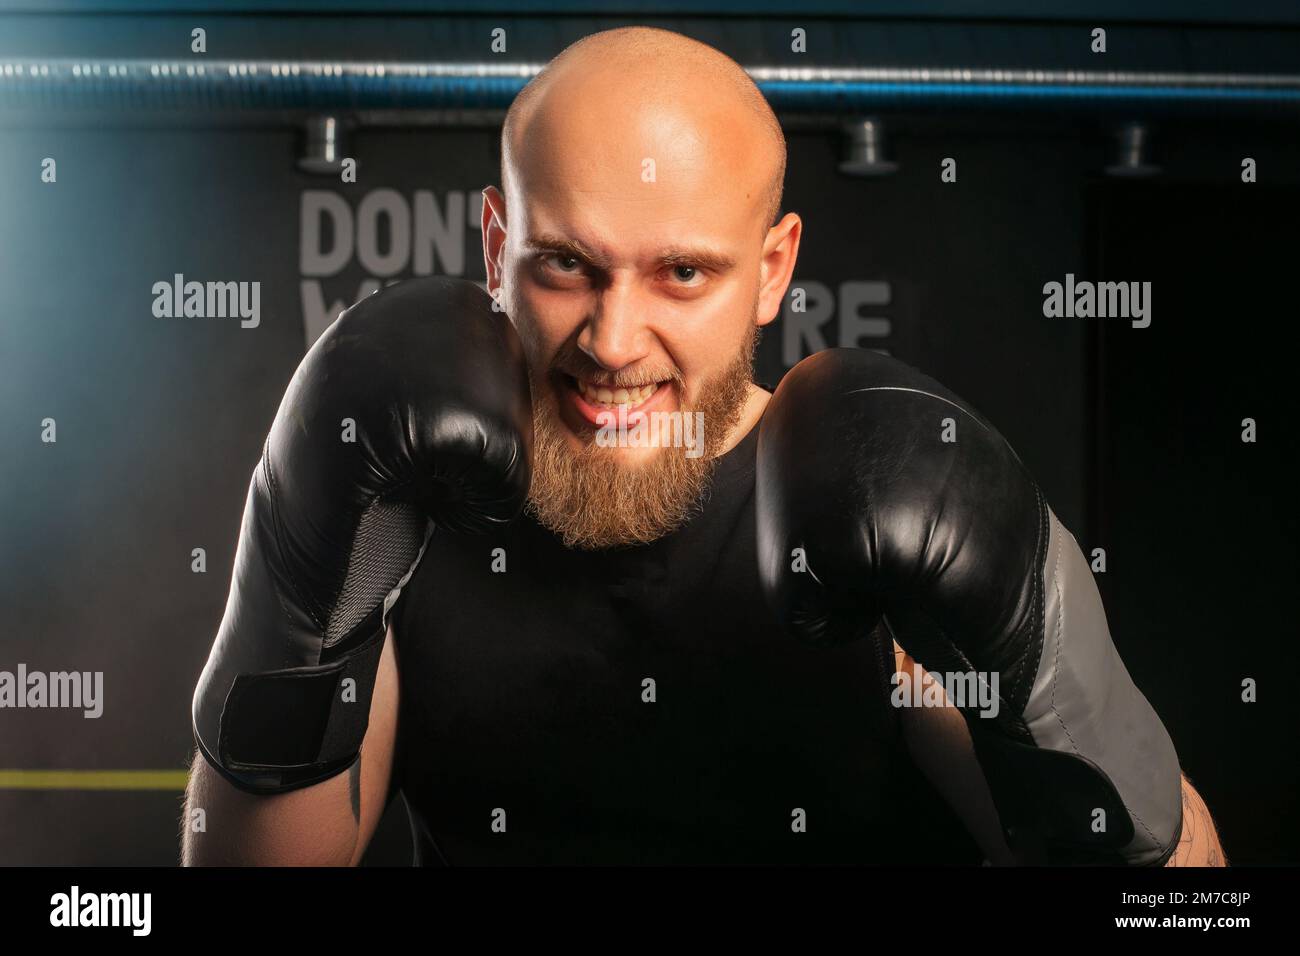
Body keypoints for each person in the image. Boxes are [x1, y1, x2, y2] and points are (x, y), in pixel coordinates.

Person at [182, 27, 1224, 866]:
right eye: (565, 265)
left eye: (682, 272)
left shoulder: (872, 497)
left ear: (772, 270)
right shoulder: (410, 510)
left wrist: (1040, 622)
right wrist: (296, 580)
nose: (613, 338)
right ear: (497, 246)